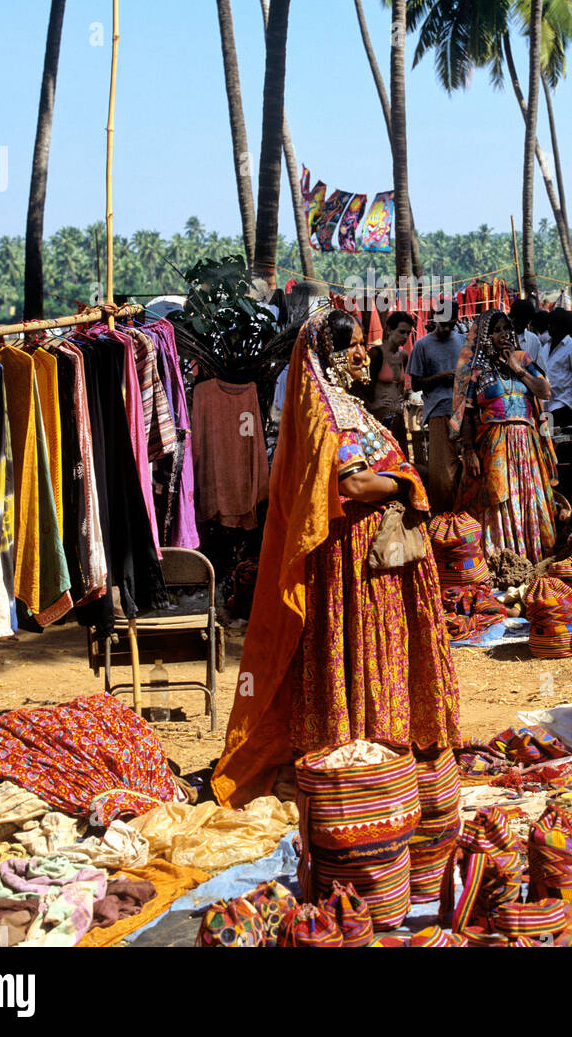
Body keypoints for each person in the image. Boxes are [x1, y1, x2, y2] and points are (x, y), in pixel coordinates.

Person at [211, 309, 459, 806]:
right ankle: (359, 741)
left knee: (355, 643)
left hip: (359, 555)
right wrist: (408, 481)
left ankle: (366, 738)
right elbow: (353, 483)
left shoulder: (336, 406)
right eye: (348, 346)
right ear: (328, 352)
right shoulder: (332, 415)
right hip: (355, 558)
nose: (357, 354)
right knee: (357, 640)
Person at [450, 309, 558, 562]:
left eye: (506, 328)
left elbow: (545, 391)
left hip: (526, 444)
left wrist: (517, 369)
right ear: (486, 336)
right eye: (496, 330)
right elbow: (467, 412)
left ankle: (534, 556)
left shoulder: (523, 358)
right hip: (494, 445)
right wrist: (468, 451)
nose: (503, 334)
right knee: (498, 497)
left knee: (528, 494)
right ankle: (502, 558)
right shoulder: (476, 370)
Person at [408, 301, 464, 511]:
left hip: (464, 411)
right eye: (444, 324)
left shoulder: (463, 341)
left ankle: (466, 519)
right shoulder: (422, 345)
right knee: (443, 473)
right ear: (435, 319)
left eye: (451, 325)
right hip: (438, 411)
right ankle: (444, 519)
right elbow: (415, 384)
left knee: (466, 468)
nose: (447, 329)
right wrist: (440, 376)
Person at [364, 309, 414, 451]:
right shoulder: (376, 354)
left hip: (397, 416)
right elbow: (359, 386)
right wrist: (373, 405)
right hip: (379, 418)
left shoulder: (403, 355)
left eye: (408, 333)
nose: (405, 336)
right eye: (401, 332)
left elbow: (400, 386)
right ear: (389, 330)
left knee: (401, 458)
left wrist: (401, 401)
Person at [510, 296, 542, 363]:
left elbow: (541, 368)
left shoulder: (533, 340)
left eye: (522, 322)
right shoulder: (501, 339)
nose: (519, 326)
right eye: (517, 321)